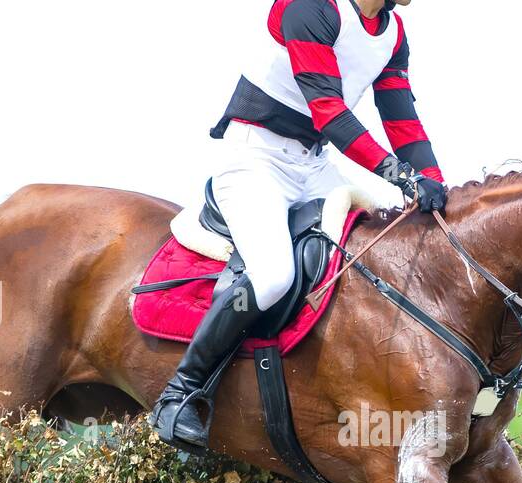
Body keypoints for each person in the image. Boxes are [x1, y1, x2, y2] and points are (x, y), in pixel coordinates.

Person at [151, 0, 447, 450]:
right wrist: (399, 175)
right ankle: (181, 393)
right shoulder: (309, 7)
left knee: (382, 251)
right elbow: (328, 110)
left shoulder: (392, 33)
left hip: (315, 165)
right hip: (255, 158)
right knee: (272, 277)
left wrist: (435, 184)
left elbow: (401, 120)